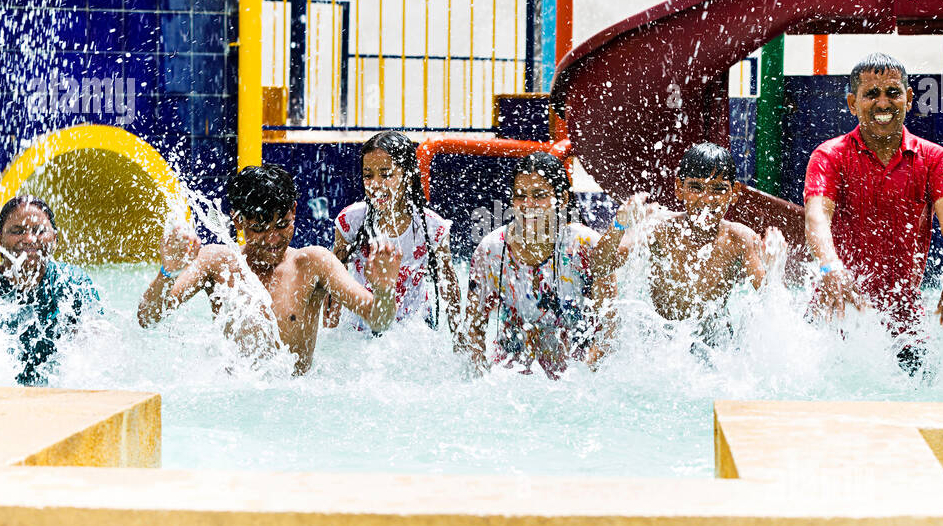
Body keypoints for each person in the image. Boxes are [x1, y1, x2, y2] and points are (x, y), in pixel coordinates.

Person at [803, 52, 943, 368]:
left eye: (893, 93)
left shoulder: (935, 159)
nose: (884, 103)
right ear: (852, 103)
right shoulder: (829, 157)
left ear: (909, 98)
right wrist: (830, 267)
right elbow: (816, 219)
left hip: (905, 323)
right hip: (838, 312)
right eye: (872, 94)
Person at [138, 165, 399, 374]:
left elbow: (380, 320)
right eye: (259, 229)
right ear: (238, 220)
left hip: (294, 397)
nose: (272, 239)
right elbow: (148, 318)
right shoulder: (217, 262)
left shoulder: (314, 263)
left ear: (294, 211)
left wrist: (385, 289)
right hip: (236, 394)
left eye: (282, 225)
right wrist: (167, 273)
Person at [590, 142, 775, 351]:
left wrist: (775, 267)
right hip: (664, 343)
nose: (707, 199)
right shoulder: (659, 228)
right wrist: (619, 224)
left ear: (734, 193)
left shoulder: (739, 239)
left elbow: (772, 303)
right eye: (696, 187)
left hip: (715, 344)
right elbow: (600, 266)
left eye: (719, 189)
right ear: (679, 189)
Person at [464, 152, 615, 377]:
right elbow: (473, 328)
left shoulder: (585, 246)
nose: (528, 204)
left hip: (577, 376)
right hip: (512, 376)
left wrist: (581, 377)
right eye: (520, 195)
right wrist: (482, 377)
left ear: (562, 200)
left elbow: (610, 325)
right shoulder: (491, 251)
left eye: (539, 195)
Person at [0, 195, 102, 386]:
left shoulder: (73, 283)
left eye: (39, 231)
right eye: (17, 231)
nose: (29, 239)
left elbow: (95, 353)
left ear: (55, 238)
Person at [324, 130, 462, 337]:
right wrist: (329, 337)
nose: (376, 184)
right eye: (368, 175)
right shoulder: (350, 221)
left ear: (407, 176)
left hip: (414, 331)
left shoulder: (432, 227)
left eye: (386, 174)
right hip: (361, 328)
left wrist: (459, 342)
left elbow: (449, 289)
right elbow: (334, 288)